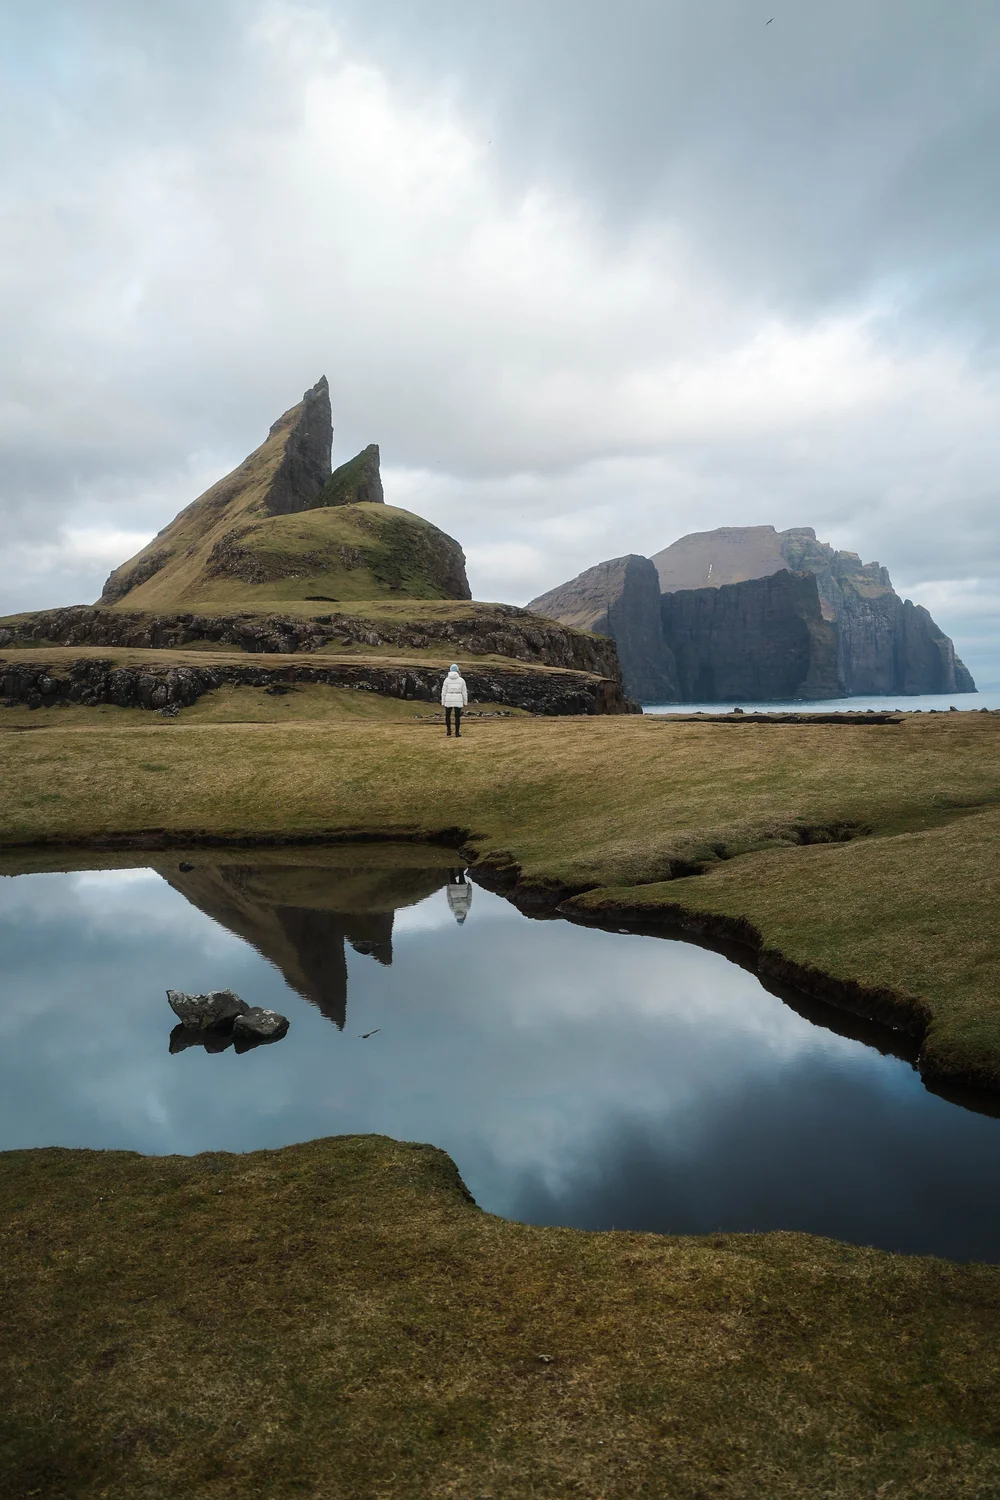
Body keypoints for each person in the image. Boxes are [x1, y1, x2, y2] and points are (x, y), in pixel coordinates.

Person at [440, 662, 468, 737]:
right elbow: (464, 692)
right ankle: (457, 732)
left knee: (448, 715)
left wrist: (443, 702)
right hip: (458, 698)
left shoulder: (446, 680)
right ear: (457, 671)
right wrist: (465, 702)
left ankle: (448, 730)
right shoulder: (461, 680)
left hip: (448, 698)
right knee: (457, 716)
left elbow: (443, 692)